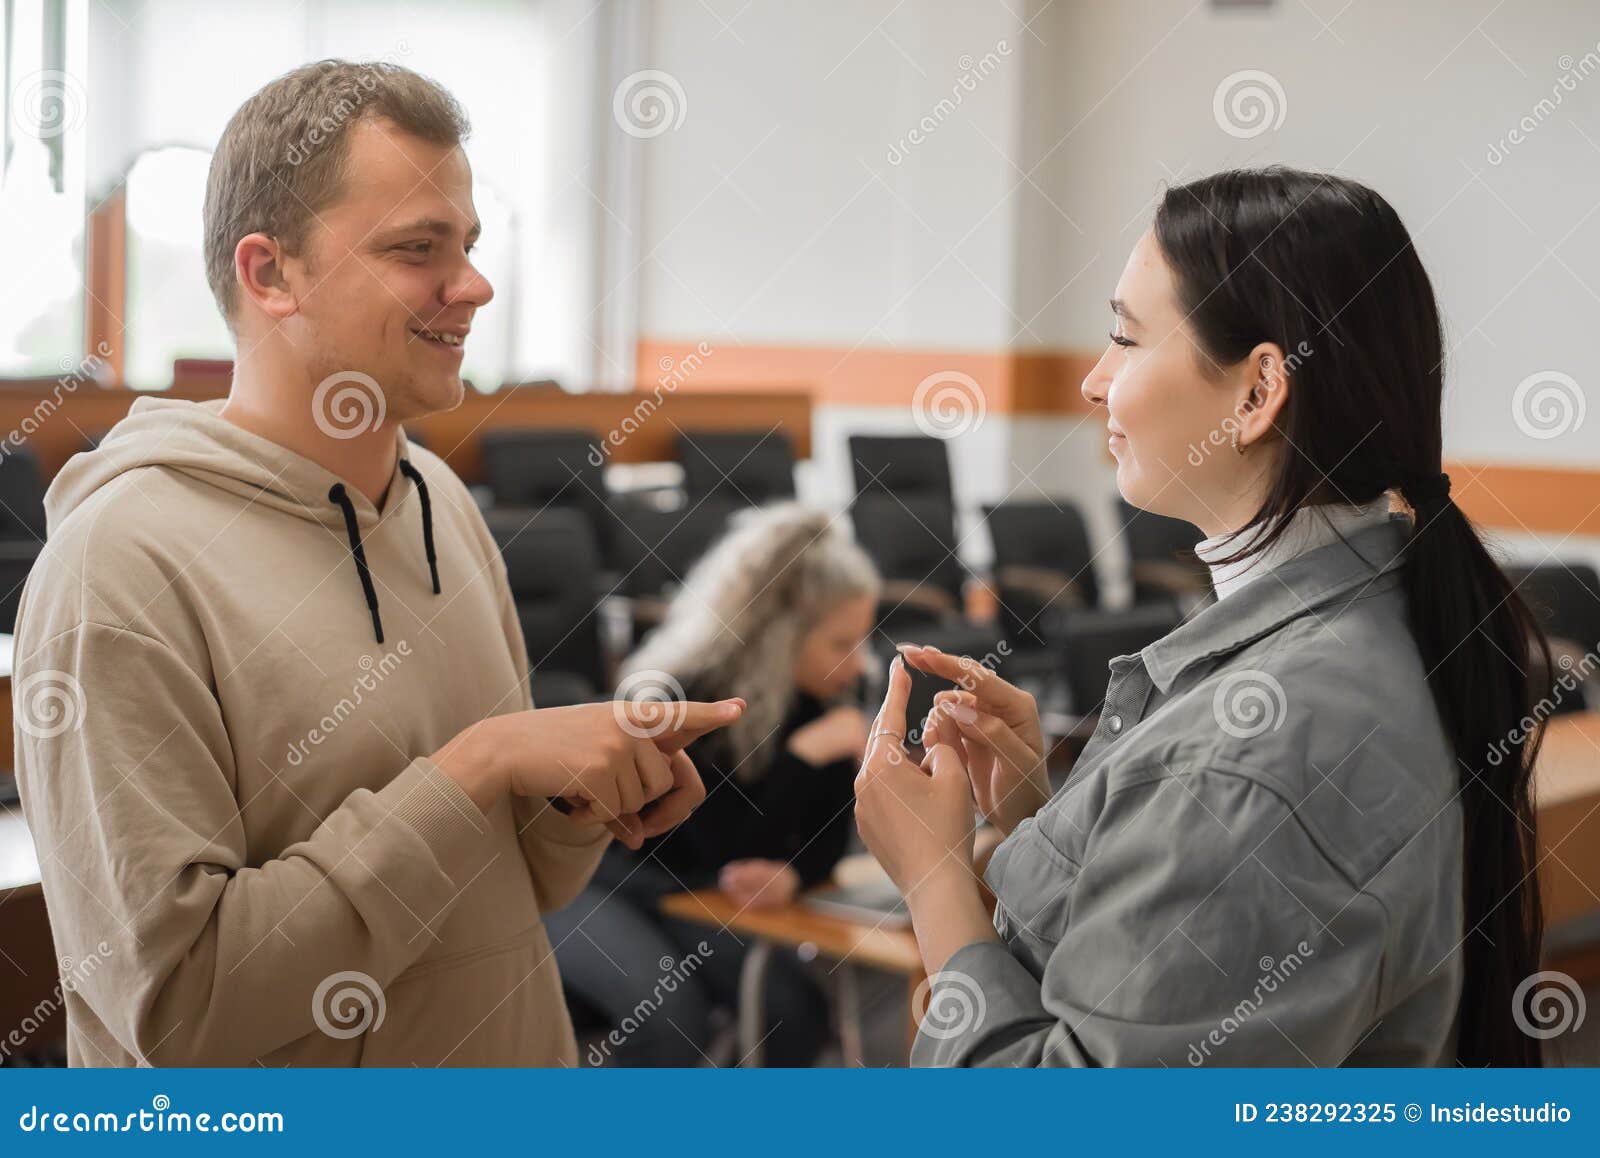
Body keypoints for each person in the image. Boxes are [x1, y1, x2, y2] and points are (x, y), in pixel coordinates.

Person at [12, 60, 741, 1067]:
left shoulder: (438, 500)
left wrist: (577, 798)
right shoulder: (120, 569)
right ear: (270, 274)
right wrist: (477, 768)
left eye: (471, 247)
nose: (475, 286)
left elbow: (514, 889)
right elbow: (182, 1017)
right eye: (417, 250)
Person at [854, 167, 1551, 1067]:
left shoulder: (1248, 756)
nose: (1095, 384)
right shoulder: (1380, 624)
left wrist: (933, 879)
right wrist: (1053, 822)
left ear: (1259, 392)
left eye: (1125, 339)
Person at [548, 504, 879, 1066]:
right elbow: (715, 845)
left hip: (690, 898)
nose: (858, 664)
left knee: (791, 1011)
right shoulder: (685, 697)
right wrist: (802, 758)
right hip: (600, 881)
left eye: (862, 640)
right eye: (839, 644)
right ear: (780, 636)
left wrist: (792, 874)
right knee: (670, 1020)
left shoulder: (827, 702)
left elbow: (823, 847)